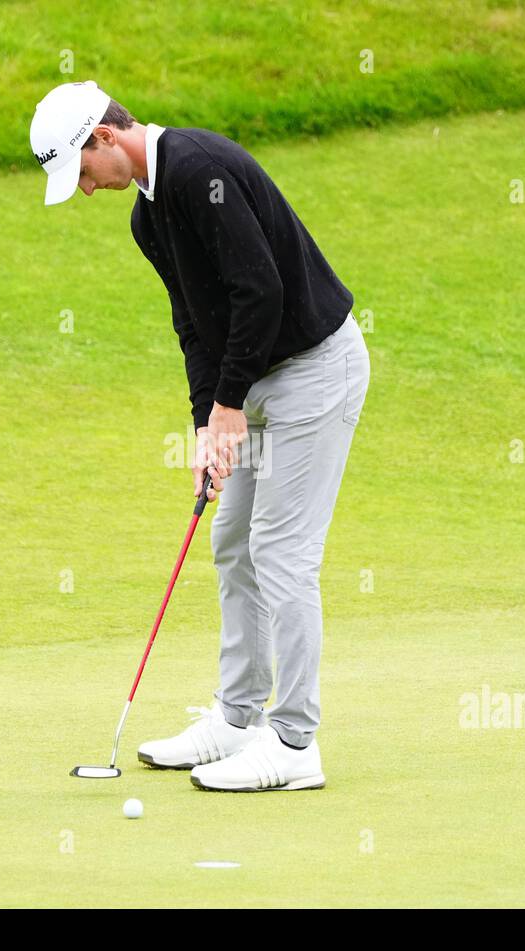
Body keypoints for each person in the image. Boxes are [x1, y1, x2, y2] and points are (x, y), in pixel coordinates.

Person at [31, 81, 369, 791]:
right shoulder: (148, 219)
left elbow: (261, 290)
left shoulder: (196, 171)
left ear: (104, 137)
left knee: (282, 551)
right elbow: (196, 325)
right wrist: (204, 426)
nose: (87, 191)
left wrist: (227, 408)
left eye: (84, 172)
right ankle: (237, 718)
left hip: (315, 368)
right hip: (256, 380)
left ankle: (295, 741)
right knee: (232, 538)